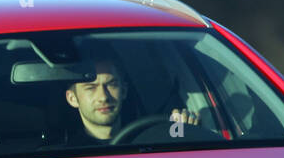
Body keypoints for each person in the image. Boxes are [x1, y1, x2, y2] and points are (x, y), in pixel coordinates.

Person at [63, 58, 199, 141]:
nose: (103, 97)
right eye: (91, 87)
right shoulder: (64, 157)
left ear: (124, 91)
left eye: (111, 84)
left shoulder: (151, 141)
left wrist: (184, 130)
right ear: (72, 98)